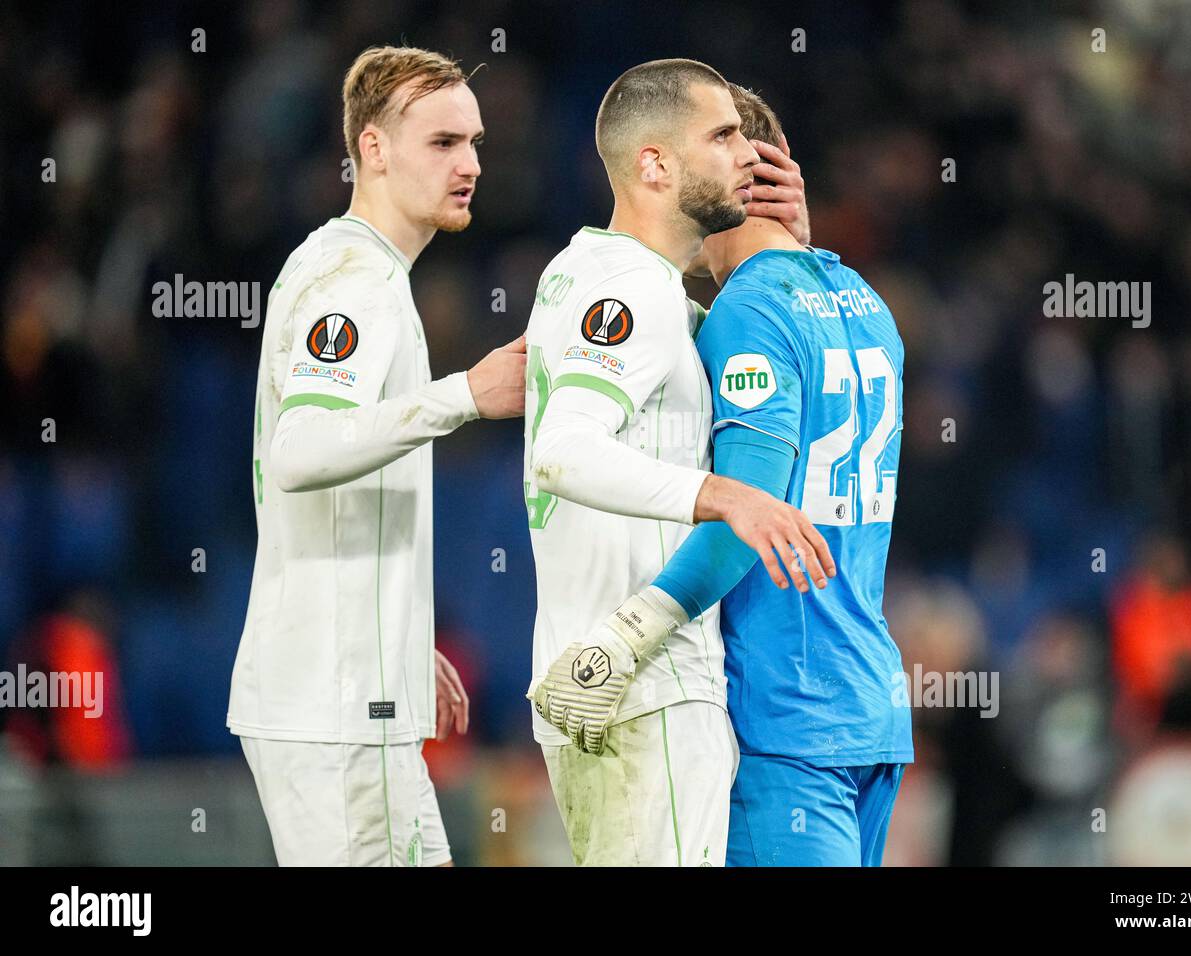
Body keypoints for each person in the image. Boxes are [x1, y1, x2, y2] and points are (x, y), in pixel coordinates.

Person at [524, 59, 833, 867]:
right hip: (647, 689)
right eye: (723, 135)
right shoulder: (637, 292)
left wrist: (790, 250)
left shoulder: (589, 273)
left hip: (601, 675)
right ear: (655, 163)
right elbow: (563, 451)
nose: (747, 155)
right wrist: (724, 495)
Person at [227, 46, 524, 867]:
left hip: (358, 695)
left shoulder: (363, 271)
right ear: (373, 148)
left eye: (474, 142)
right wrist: (467, 393)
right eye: (441, 143)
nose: (468, 163)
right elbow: (302, 451)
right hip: (333, 707)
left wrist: (398, 639)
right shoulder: (354, 279)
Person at [655, 84, 912, 865]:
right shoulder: (865, 300)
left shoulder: (748, 314)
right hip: (866, 700)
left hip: (785, 712)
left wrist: (625, 637)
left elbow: (747, 514)